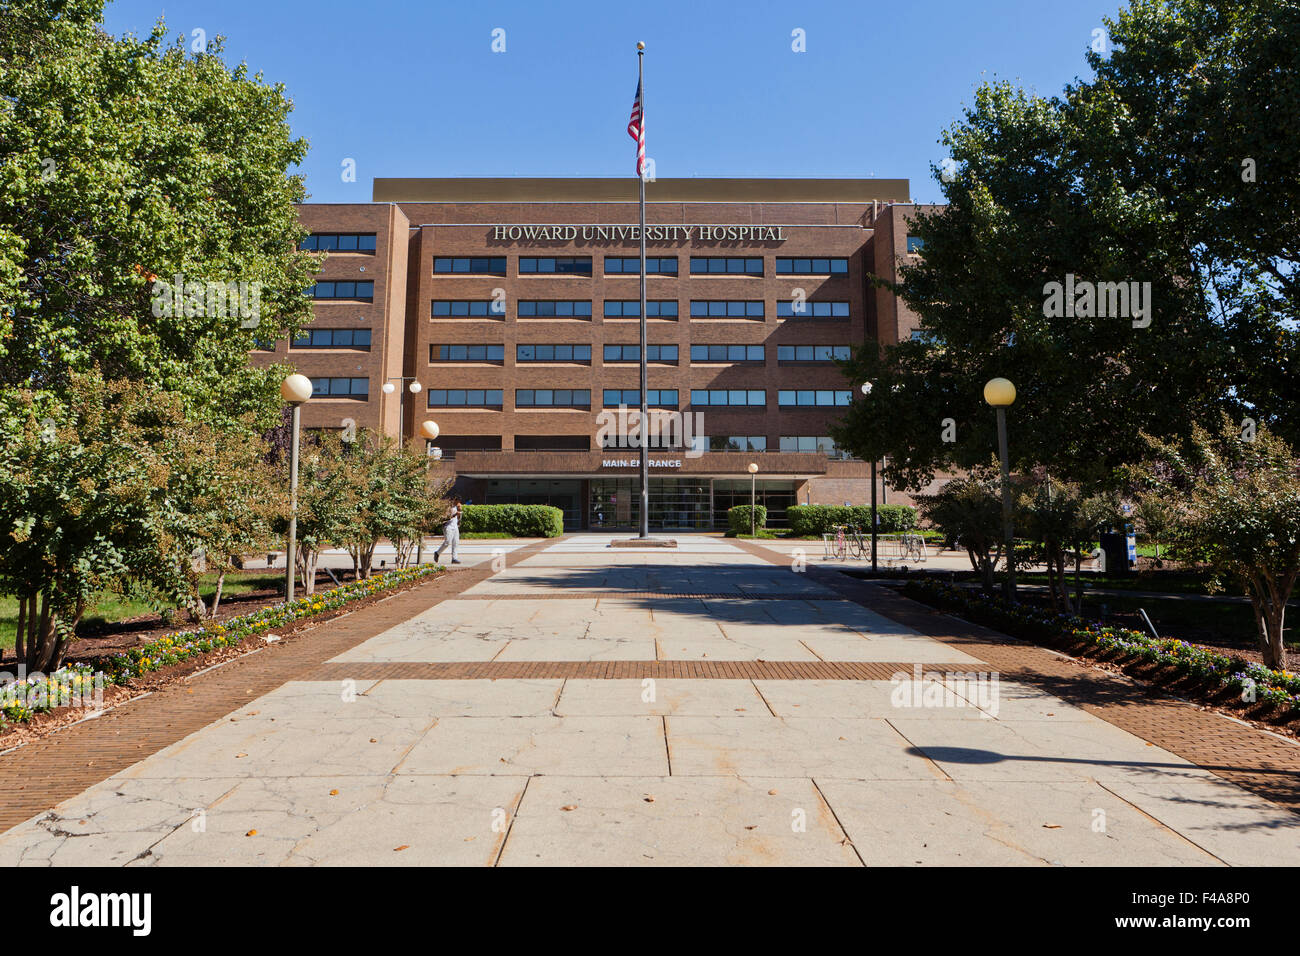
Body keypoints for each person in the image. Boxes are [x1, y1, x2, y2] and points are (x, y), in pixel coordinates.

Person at [434, 498, 462, 564]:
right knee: (447, 542)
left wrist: (459, 512)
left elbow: (458, 518)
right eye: (457, 501)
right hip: (448, 527)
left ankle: (454, 558)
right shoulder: (448, 507)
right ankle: (437, 553)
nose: (458, 503)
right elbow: (445, 518)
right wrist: (455, 514)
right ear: (455, 500)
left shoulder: (457, 507)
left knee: (456, 543)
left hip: (455, 527)